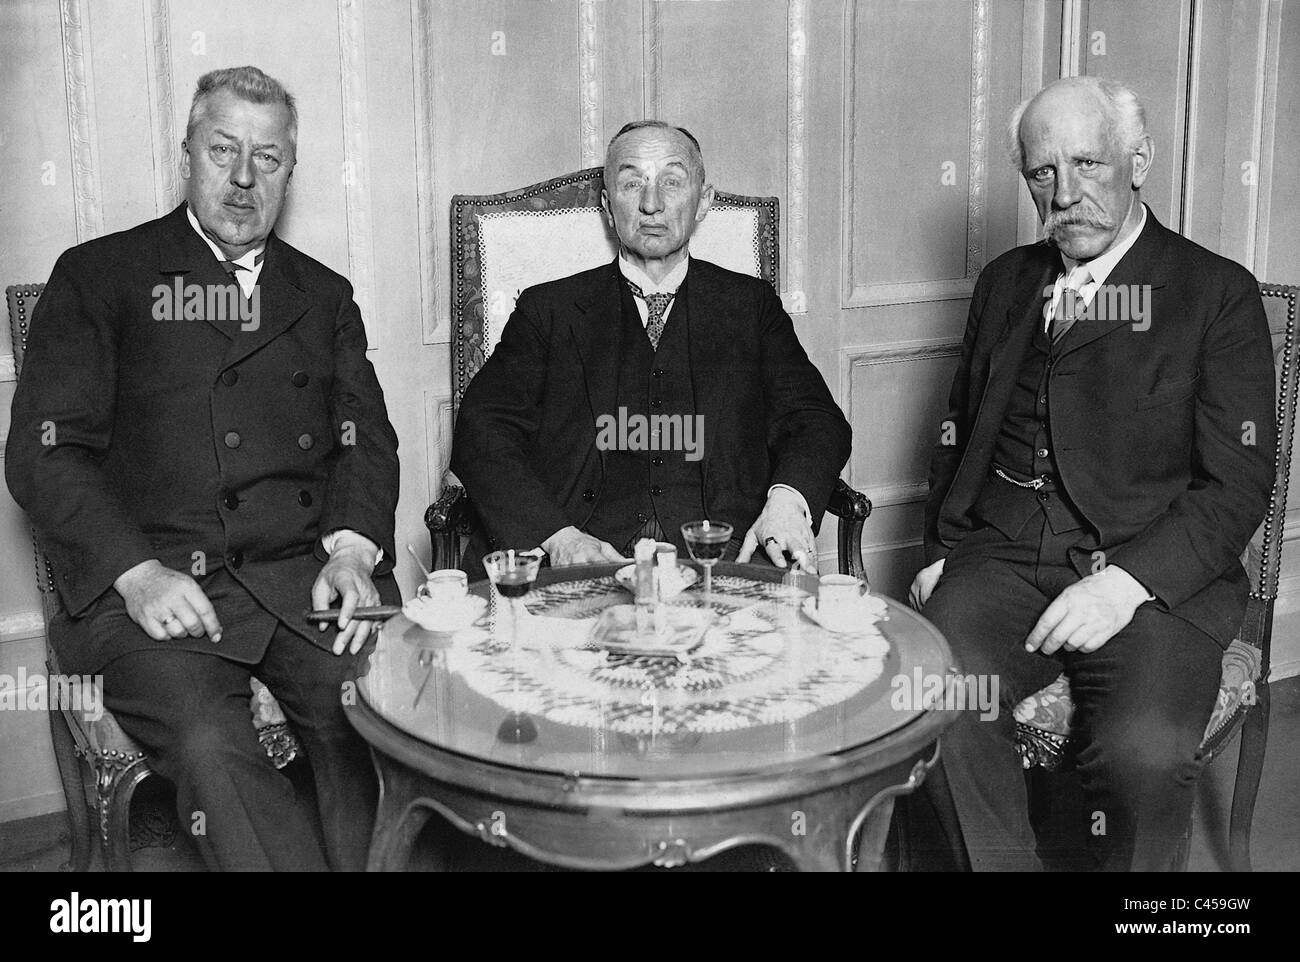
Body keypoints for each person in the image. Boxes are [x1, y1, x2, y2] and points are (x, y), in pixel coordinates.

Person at [5, 66, 400, 871]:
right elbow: (45, 452)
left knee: (379, 711)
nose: (244, 178)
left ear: (292, 168)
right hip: (152, 588)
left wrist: (354, 551)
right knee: (212, 748)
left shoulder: (322, 296)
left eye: (269, 157)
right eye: (223, 150)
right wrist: (137, 574)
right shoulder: (101, 275)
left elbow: (367, 437)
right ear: (187, 152)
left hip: (301, 577)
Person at [905, 76, 1275, 871]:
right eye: (1043, 173)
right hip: (1003, 558)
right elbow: (958, 431)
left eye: (1088, 164)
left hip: (1149, 576)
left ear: (1138, 159)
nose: (1066, 194)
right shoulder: (1008, 281)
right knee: (930, 699)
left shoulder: (1218, 295)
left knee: (1141, 753)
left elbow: (1238, 484)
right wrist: (943, 548)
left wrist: (1125, 584)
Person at [451, 120, 850, 572]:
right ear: (607, 205)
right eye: (631, 183)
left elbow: (816, 420)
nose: (651, 203)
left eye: (672, 182)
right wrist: (557, 537)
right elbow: (482, 431)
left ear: (703, 202)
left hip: (723, 554)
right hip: (581, 554)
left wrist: (787, 500)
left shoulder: (750, 306)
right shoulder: (549, 309)